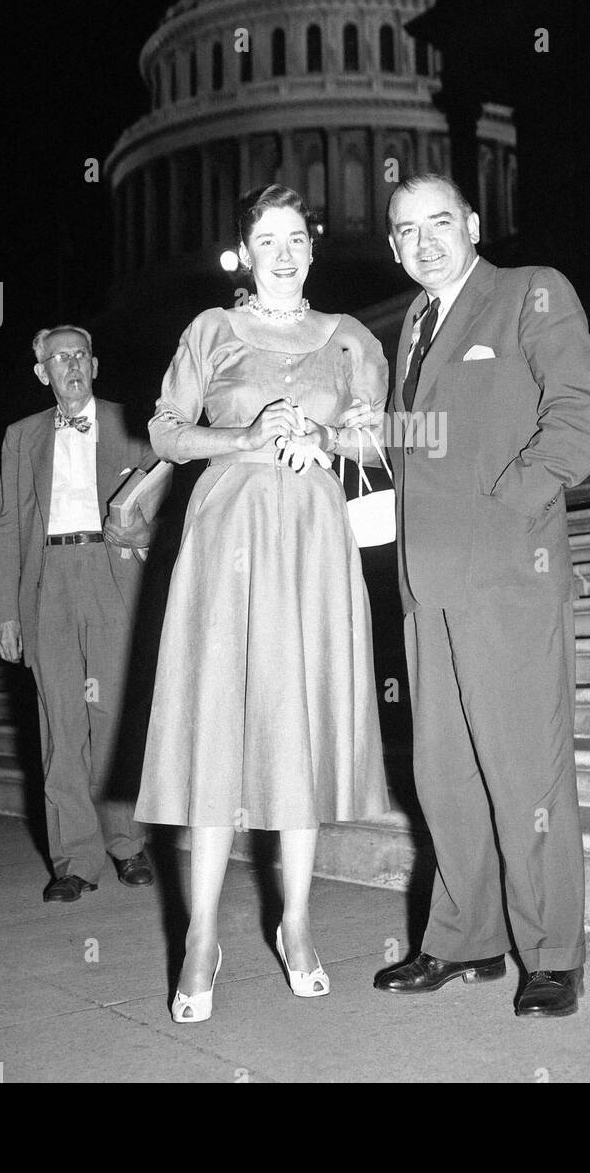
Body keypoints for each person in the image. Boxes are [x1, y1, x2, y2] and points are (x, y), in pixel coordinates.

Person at [135, 183, 389, 1023]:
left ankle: (297, 922)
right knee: (217, 731)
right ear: (245, 252)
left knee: (296, 727)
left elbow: (376, 432)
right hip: (225, 539)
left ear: (311, 250)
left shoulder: (350, 338)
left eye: (295, 239)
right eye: (266, 239)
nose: (282, 253)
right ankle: (201, 935)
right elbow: (167, 431)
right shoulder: (211, 330)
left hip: (311, 543)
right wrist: (245, 436)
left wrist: (323, 438)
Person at [368, 173, 590, 1018]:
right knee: (443, 772)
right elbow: (416, 441)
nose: (425, 240)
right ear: (394, 246)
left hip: (508, 574)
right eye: (407, 230)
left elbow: (579, 414)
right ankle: (462, 939)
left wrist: (511, 507)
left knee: (523, 773)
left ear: (472, 223)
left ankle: (550, 955)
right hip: (426, 587)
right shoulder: (412, 325)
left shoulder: (528, 292)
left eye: (441, 222)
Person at [0, 326, 157, 901]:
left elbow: (167, 497)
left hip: (113, 571)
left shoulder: (129, 421)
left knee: (114, 715)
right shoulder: (21, 435)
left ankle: (128, 845)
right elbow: (6, 526)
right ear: (43, 373)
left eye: (80, 354)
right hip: (49, 582)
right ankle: (75, 861)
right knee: (62, 724)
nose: (71, 365)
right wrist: (6, 610)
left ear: (95, 363)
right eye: (59, 358)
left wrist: (143, 533)